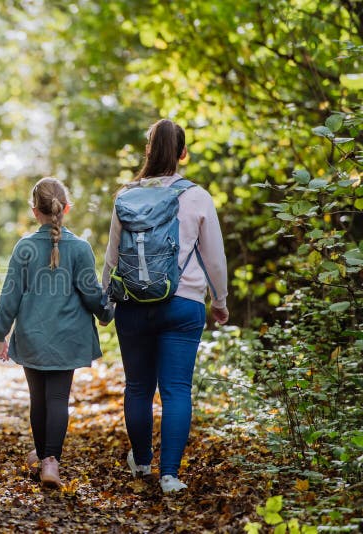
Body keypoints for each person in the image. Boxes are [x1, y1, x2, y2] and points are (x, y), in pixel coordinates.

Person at [101, 119, 229, 493]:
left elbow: (112, 256)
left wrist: (107, 298)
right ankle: (170, 474)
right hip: (183, 304)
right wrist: (219, 302)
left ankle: (141, 462)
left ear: (148, 150)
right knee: (176, 389)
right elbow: (215, 259)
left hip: (133, 305)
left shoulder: (125, 196)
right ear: (182, 153)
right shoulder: (197, 196)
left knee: (138, 387)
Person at [0, 177, 113, 489]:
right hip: (68, 338)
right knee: (58, 397)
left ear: (34, 211)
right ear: (66, 208)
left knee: (38, 399)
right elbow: (91, 292)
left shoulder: (25, 247)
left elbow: (10, 295)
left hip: (33, 335)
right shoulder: (81, 248)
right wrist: (106, 313)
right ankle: (50, 462)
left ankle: (43, 457)